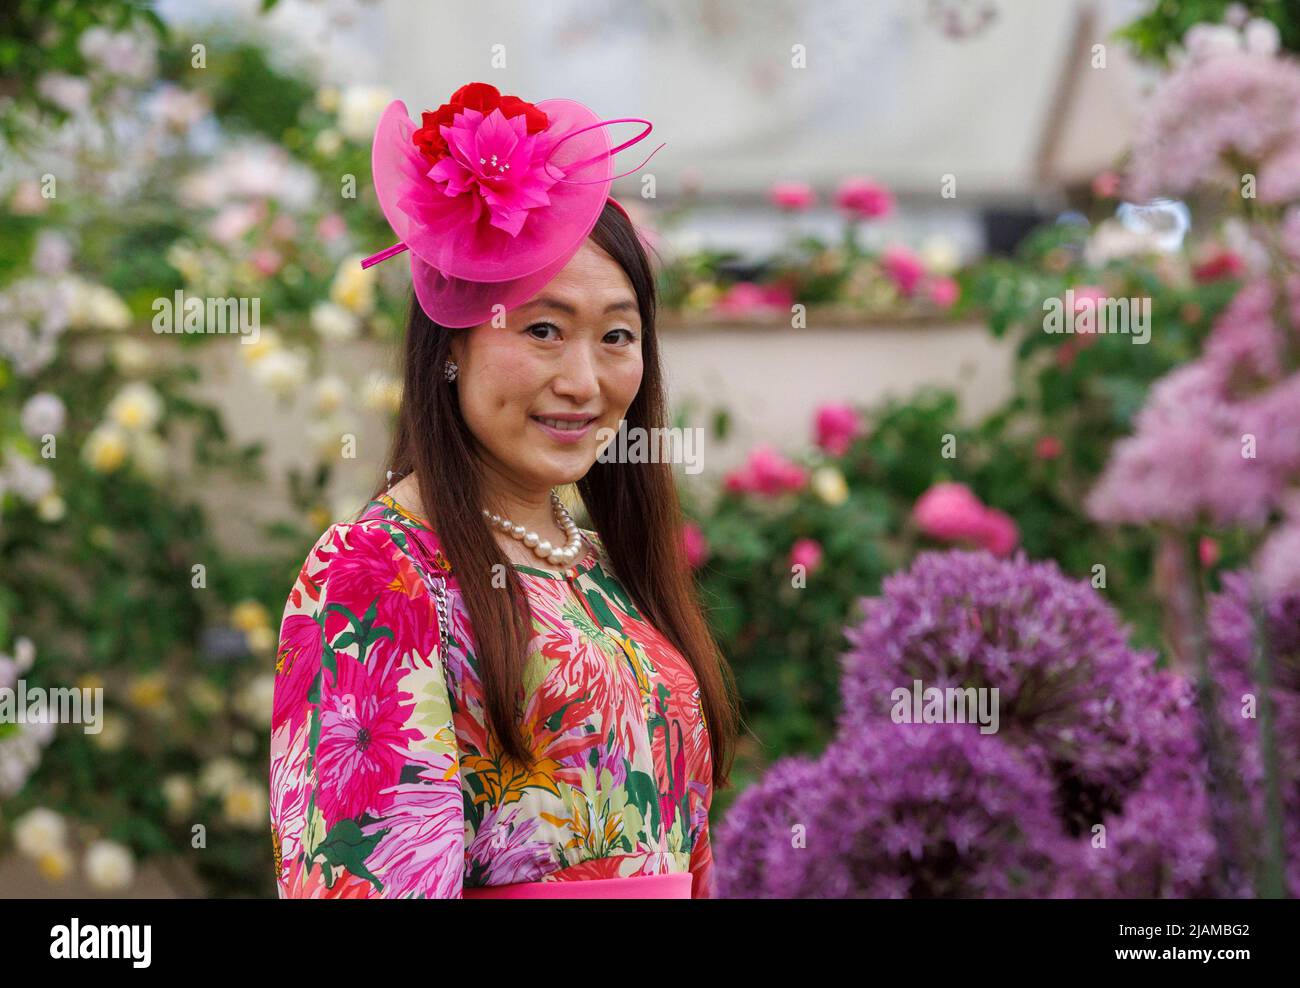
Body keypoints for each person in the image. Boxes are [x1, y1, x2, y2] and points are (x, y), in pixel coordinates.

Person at [269, 82, 739, 899]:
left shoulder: (600, 569)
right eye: (543, 330)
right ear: (453, 342)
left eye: (617, 336)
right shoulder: (377, 573)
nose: (585, 381)